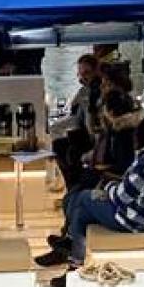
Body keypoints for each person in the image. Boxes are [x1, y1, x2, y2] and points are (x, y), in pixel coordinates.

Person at [37, 115, 144, 267]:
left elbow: (121, 198)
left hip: (134, 221)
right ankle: (72, 254)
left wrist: (107, 188)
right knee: (81, 212)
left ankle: (70, 248)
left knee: (84, 197)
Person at [51, 54, 104, 190]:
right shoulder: (84, 92)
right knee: (60, 145)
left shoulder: (100, 92)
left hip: (98, 139)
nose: (83, 78)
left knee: (71, 152)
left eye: (87, 73)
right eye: (80, 74)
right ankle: (72, 186)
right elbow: (76, 116)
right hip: (86, 133)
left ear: (96, 71)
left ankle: (76, 187)